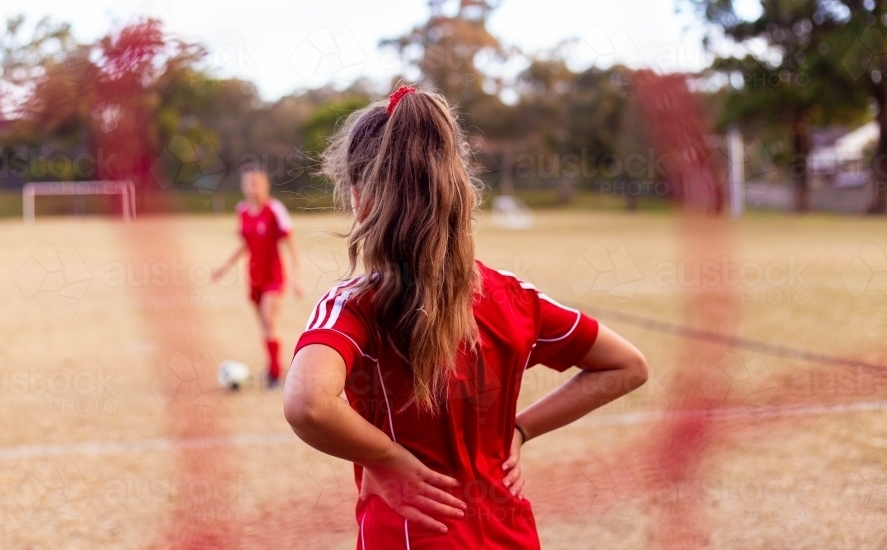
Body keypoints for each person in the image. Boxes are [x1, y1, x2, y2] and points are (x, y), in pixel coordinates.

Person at [283, 85, 649, 548]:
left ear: (359, 199)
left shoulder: (356, 305)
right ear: (458, 190)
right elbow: (628, 366)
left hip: (415, 532)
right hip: (511, 533)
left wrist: (388, 460)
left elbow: (308, 404)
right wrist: (522, 429)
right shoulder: (515, 297)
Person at [213, 166, 302, 388]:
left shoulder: (274, 209)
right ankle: (272, 367)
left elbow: (291, 243)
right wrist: (224, 267)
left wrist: (297, 276)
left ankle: (275, 375)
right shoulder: (242, 210)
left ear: (266, 185)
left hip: (274, 276)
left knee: (269, 320)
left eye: (257, 183)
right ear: (244, 186)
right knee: (263, 324)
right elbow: (245, 244)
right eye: (249, 183)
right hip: (253, 277)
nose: (253, 188)